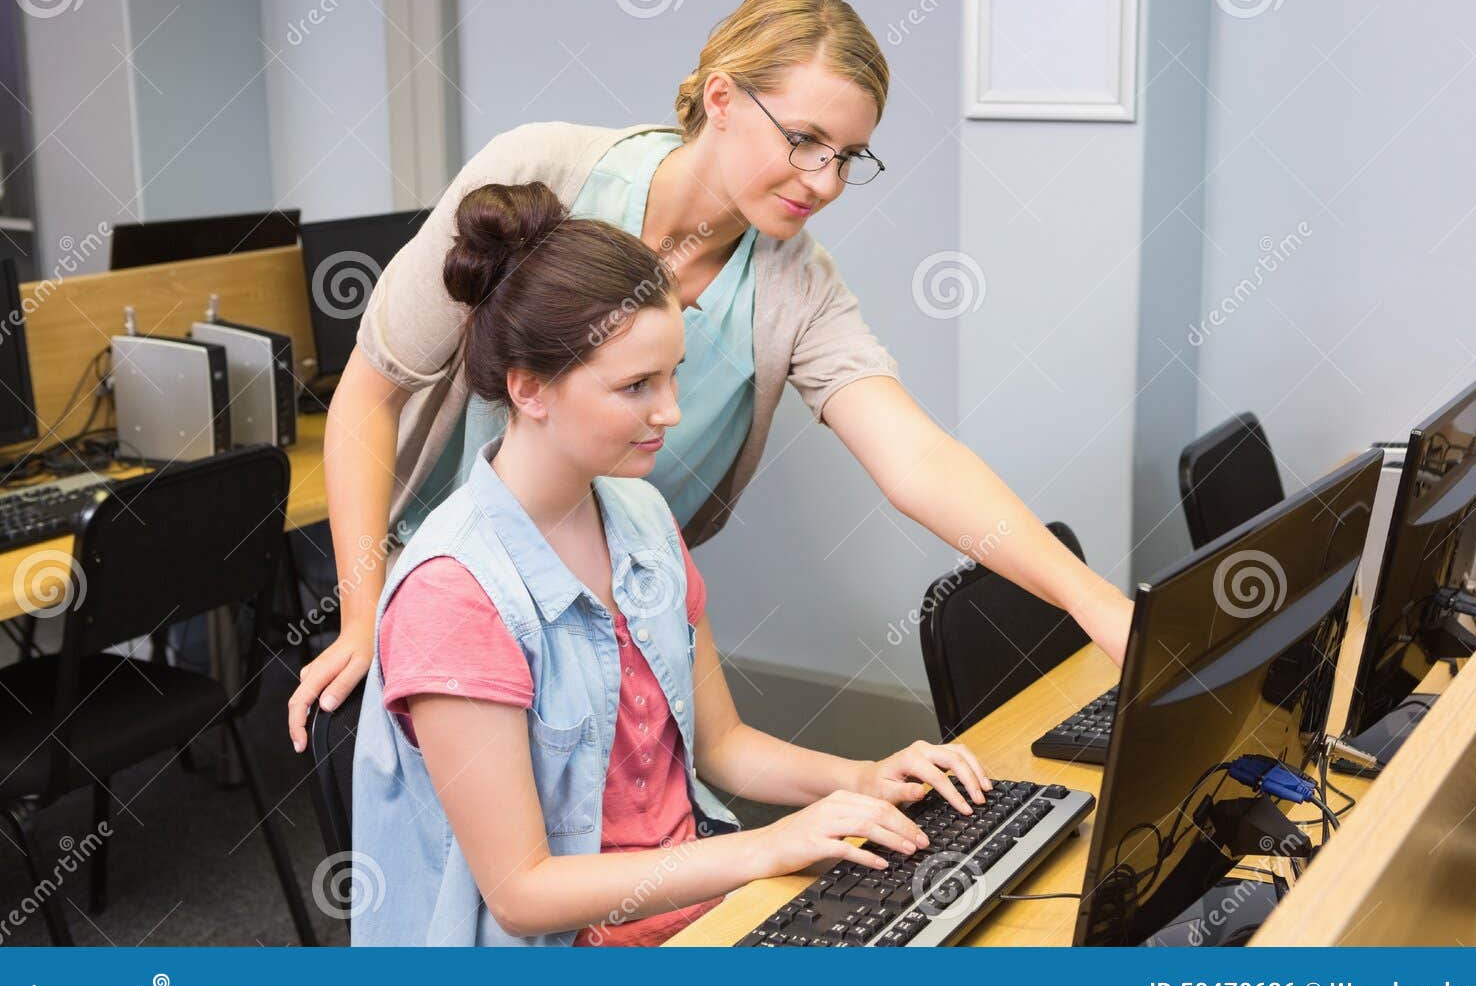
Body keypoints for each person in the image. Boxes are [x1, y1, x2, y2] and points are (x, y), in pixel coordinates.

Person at [290, 0, 1132, 753]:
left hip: (604, 609)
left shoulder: (796, 283)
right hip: (436, 580)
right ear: (722, 97)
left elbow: (916, 457)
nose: (825, 181)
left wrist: (1094, 600)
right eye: (805, 141)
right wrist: (368, 608)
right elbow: (370, 392)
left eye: (848, 155)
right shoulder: (543, 170)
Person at [351, 181, 994, 945]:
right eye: (635, 387)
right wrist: (763, 848)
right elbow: (521, 891)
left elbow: (722, 746)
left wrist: (860, 777)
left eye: (672, 374)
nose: (672, 412)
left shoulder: (643, 517)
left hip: (685, 918)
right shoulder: (455, 592)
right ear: (529, 390)